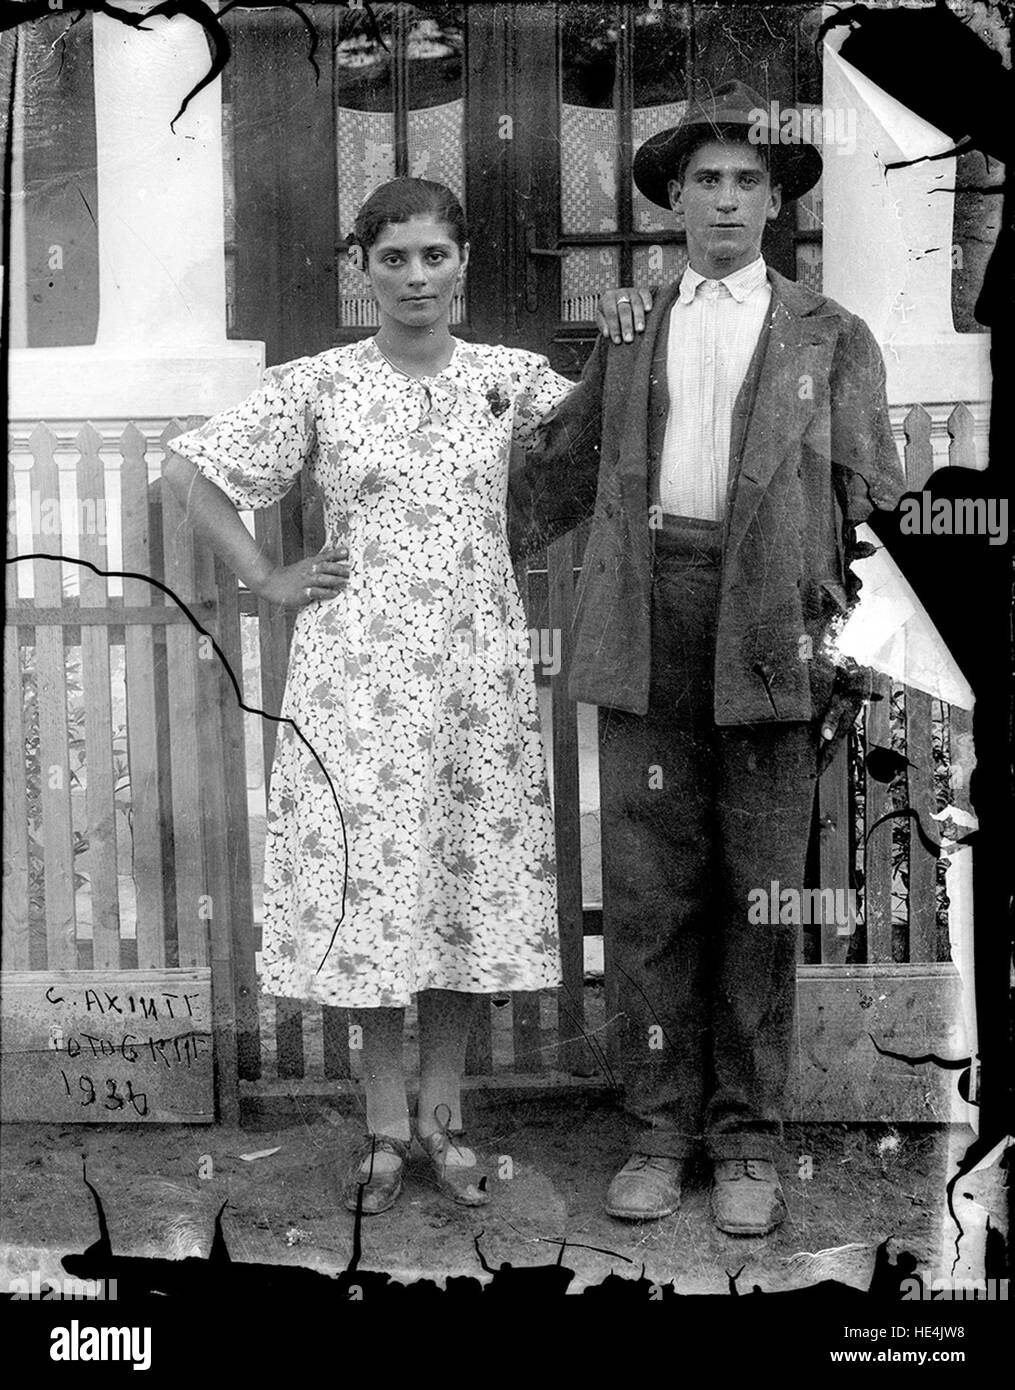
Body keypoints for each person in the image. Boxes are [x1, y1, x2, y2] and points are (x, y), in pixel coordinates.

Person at [509, 82, 904, 1234]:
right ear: (673, 202)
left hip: (772, 631)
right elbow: (555, 471)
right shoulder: (632, 329)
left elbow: (873, 505)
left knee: (760, 899)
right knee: (650, 898)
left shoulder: (832, 337)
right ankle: (654, 1131)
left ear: (776, 204)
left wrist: (853, 653)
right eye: (706, 182)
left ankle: (746, 1143)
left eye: (748, 181)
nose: (726, 199)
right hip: (648, 625)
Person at [164, 177, 579, 1216]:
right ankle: (386, 1132)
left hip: (475, 671)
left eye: (434, 255)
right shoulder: (320, 385)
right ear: (364, 269)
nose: (415, 277)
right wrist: (269, 577)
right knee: (373, 901)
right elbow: (192, 475)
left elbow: (609, 447)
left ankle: (445, 1121)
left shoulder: (511, 380)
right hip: (356, 679)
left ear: (466, 262)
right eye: (392, 257)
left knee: (457, 892)